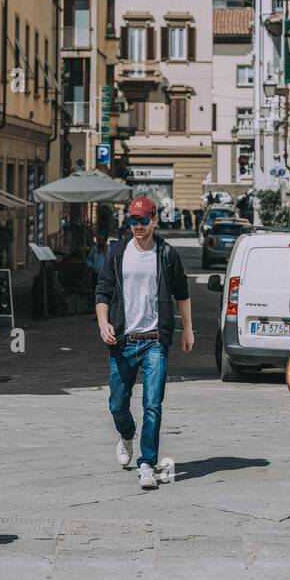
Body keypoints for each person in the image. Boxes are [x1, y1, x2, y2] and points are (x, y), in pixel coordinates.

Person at [95, 195, 193, 489]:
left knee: (153, 405)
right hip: (123, 341)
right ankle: (127, 435)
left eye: (143, 220)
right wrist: (103, 322)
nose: (138, 226)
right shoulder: (117, 252)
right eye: (133, 220)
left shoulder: (166, 254)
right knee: (117, 404)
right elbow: (102, 291)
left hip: (155, 341)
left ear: (154, 220)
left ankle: (147, 463)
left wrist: (188, 329)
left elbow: (182, 294)